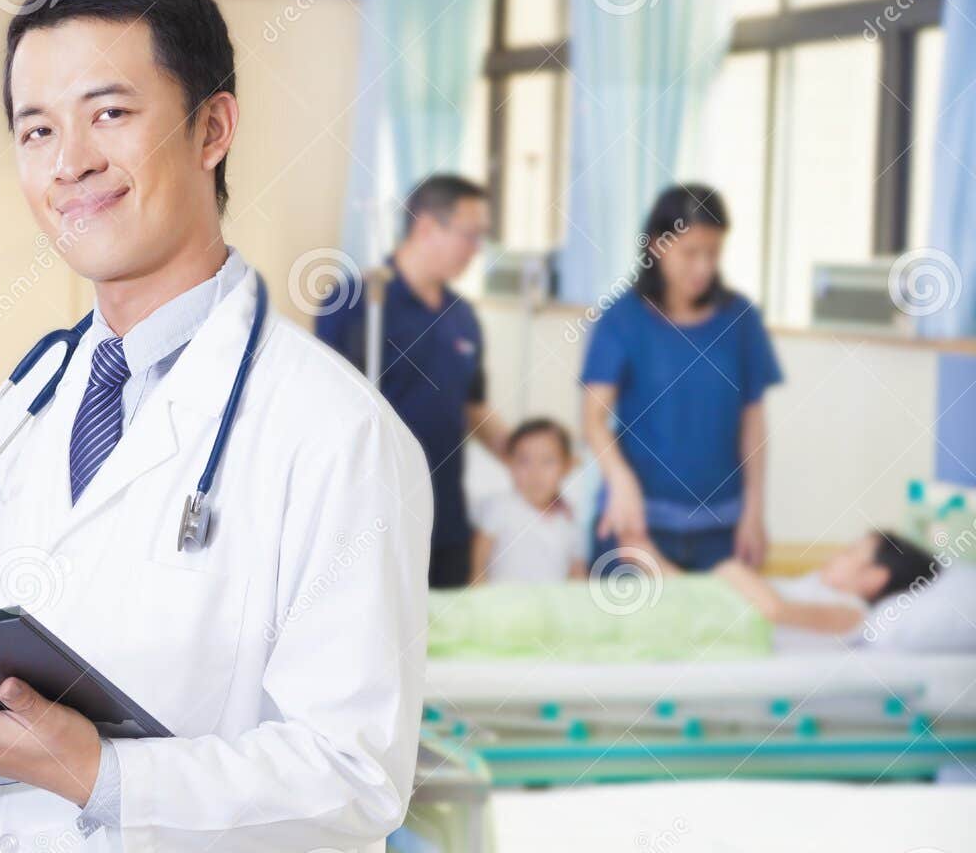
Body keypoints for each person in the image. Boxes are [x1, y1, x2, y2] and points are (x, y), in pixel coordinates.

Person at [0, 0, 432, 853]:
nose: (67, 161)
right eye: (35, 130)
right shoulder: (26, 408)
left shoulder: (335, 432)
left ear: (212, 129)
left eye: (107, 113)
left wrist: (95, 771)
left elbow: (356, 769)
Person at [316, 174, 509, 588]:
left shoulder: (462, 317)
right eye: (470, 235)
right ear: (425, 227)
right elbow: (324, 414)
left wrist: (530, 463)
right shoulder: (356, 304)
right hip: (376, 527)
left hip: (447, 525)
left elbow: (473, 408)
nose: (477, 250)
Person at [581, 184, 782, 573]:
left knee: (722, 633)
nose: (703, 267)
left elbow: (753, 423)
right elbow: (593, 420)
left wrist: (755, 512)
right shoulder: (621, 319)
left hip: (722, 532)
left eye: (713, 253)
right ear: (657, 245)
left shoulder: (740, 320)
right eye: (691, 253)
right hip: (636, 524)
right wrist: (620, 481)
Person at [619, 530, 940, 650]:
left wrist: (734, 570)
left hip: (714, 622)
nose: (836, 555)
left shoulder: (853, 615)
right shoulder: (814, 586)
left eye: (850, 553)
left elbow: (775, 611)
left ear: (874, 578)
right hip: (703, 608)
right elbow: (720, 598)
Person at [470, 417, 583, 585]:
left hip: (550, 608)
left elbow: (577, 575)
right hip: (501, 606)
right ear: (509, 463)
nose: (535, 472)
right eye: (524, 461)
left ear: (567, 466)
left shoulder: (568, 517)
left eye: (547, 461)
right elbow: (477, 567)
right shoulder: (500, 507)